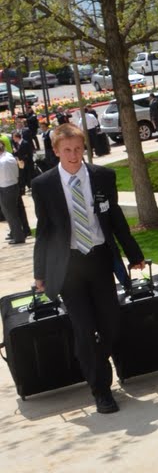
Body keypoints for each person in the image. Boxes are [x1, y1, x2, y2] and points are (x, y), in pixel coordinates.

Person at [32, 122, 145, 415]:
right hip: (68, 266)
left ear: (85, 148)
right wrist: (40, 273)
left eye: (78, 149)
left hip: (98, 260)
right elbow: (43, 231)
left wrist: (134, 255)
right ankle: (101, 389)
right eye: (67, 150)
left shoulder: (102, 177)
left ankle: (94, 360)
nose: (73, 155)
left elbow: (116, 220)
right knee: (84, 328)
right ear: (56, 151)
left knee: (109, 323)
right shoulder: (43, 185)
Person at [0, 134, 30, 242]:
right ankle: (17, 234)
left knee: (11, 214)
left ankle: (18, 236)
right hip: (13, 185)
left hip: (6, 188)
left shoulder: (2, 161)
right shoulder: (8, 155)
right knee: (13, 213)